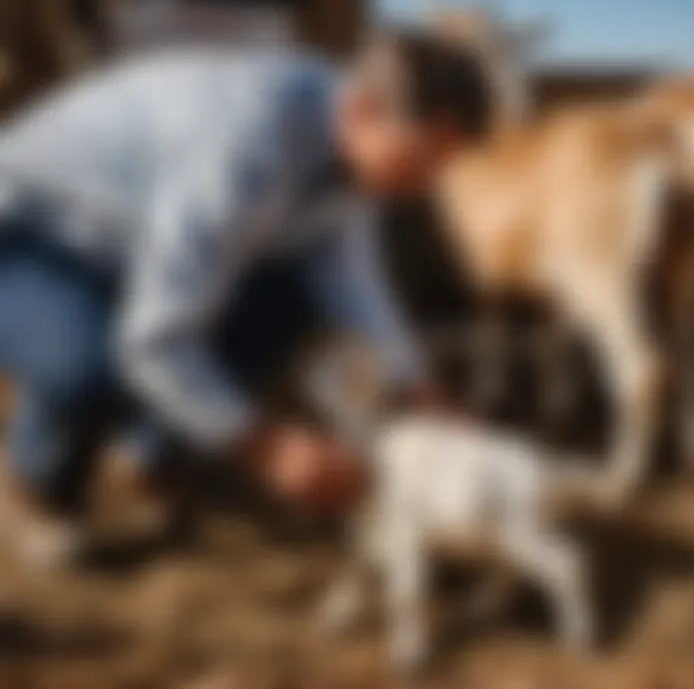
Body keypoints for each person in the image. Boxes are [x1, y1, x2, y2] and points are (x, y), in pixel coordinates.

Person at [0, 28, 492, 564]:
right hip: (29, 237)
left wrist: (415, 385)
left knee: (284, 297)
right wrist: (267, 448)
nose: (424, 184)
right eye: (419, 158)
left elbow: (351, 279)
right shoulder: (247, 147)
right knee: (88, 364)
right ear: (366, 111)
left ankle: (149, 458)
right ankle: (36, 484)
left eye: (439, 167)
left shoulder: (347, 144)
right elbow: (154, 339)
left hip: (126, 242)